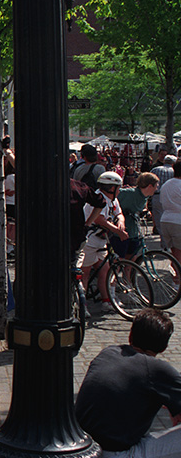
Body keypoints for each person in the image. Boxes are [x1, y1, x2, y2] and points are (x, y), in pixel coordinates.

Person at [75, 308, 181, 456]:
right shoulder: (157, 369)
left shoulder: (108, 352)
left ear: (130, 335)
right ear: (164, 347)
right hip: (114, 453)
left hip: (82, 447)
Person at [81, 171, 128, 310]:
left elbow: (119, 213)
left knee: (105, 272)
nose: (119, 190)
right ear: (112, 188)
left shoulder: (112, 199)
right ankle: (81, 306)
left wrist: (121, 222)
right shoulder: (98, 198)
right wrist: (118, 231)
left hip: (101, 241)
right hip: (90, 241)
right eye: (118, 188)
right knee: (85, 273)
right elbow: (99, 219)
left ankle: (107, 301)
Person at [114, 172, 160, 260]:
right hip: (122, 229)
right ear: (150, 186)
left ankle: (128, 269)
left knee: (132, 257)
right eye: (156, 186)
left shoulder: (145, 196)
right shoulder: (128, 193)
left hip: (134, 230)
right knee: (120, 258)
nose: (156, 188)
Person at [160, 158, 181, 267]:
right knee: (179, 256)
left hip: (165, 220)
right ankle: (177, 276)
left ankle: (176, 275)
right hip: (178, 221)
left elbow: (161, 202)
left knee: (175, 254)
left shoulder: (166, 184)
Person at [152, 155, 176, 240]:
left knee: (159, 221)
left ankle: (164, 242)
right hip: (170, 197)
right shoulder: (174, 172)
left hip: (156, 196)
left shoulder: (155, 170)